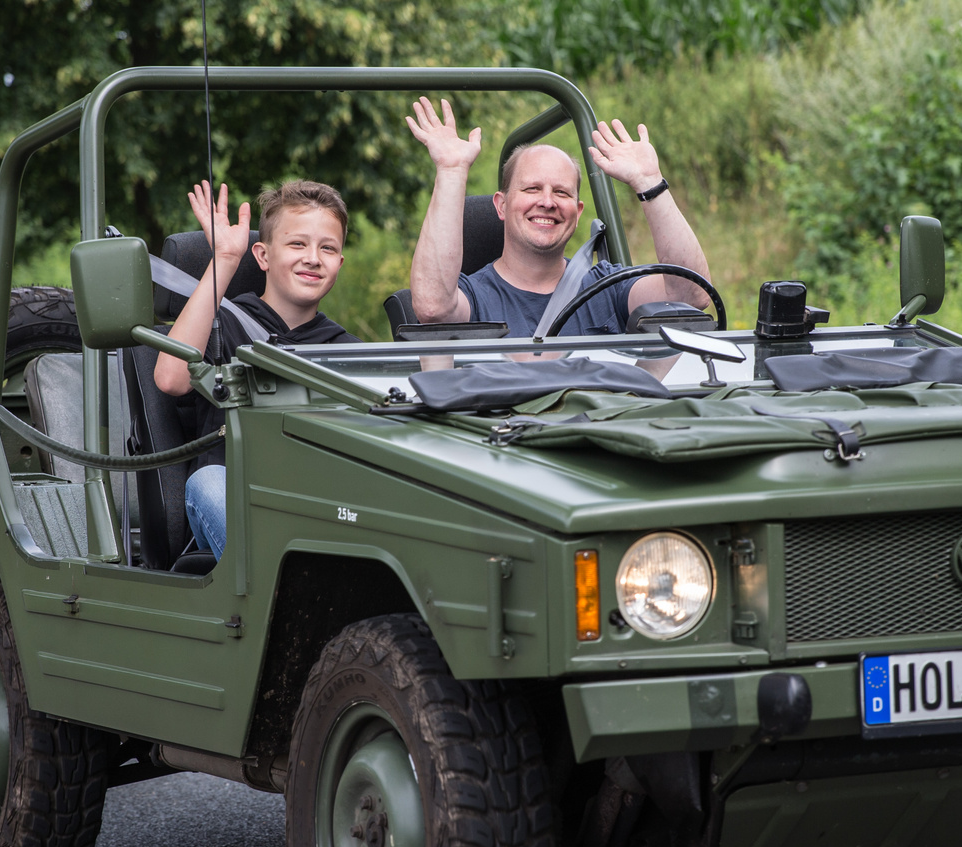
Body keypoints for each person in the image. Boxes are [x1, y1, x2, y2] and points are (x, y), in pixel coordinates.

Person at [155, 179, 360, 560]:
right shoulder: (222, 324)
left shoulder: (346, 349)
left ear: (339, 263)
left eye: (327, 248)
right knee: (208, 482)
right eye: (297, 244)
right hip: (234, 495)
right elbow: (170, 378)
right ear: (262, 256)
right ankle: (283, 580)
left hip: (316, 502)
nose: (313, 257)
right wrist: (226, 261)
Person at [404, 97, 713, 338]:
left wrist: (650, 182)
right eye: (532, 188)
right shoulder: (476, 296)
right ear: (501, 205)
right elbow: (433, 308)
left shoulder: (606, 287)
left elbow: (691, 294)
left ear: (577, 214)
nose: (548, 202)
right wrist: (451, 170)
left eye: (562, 193)